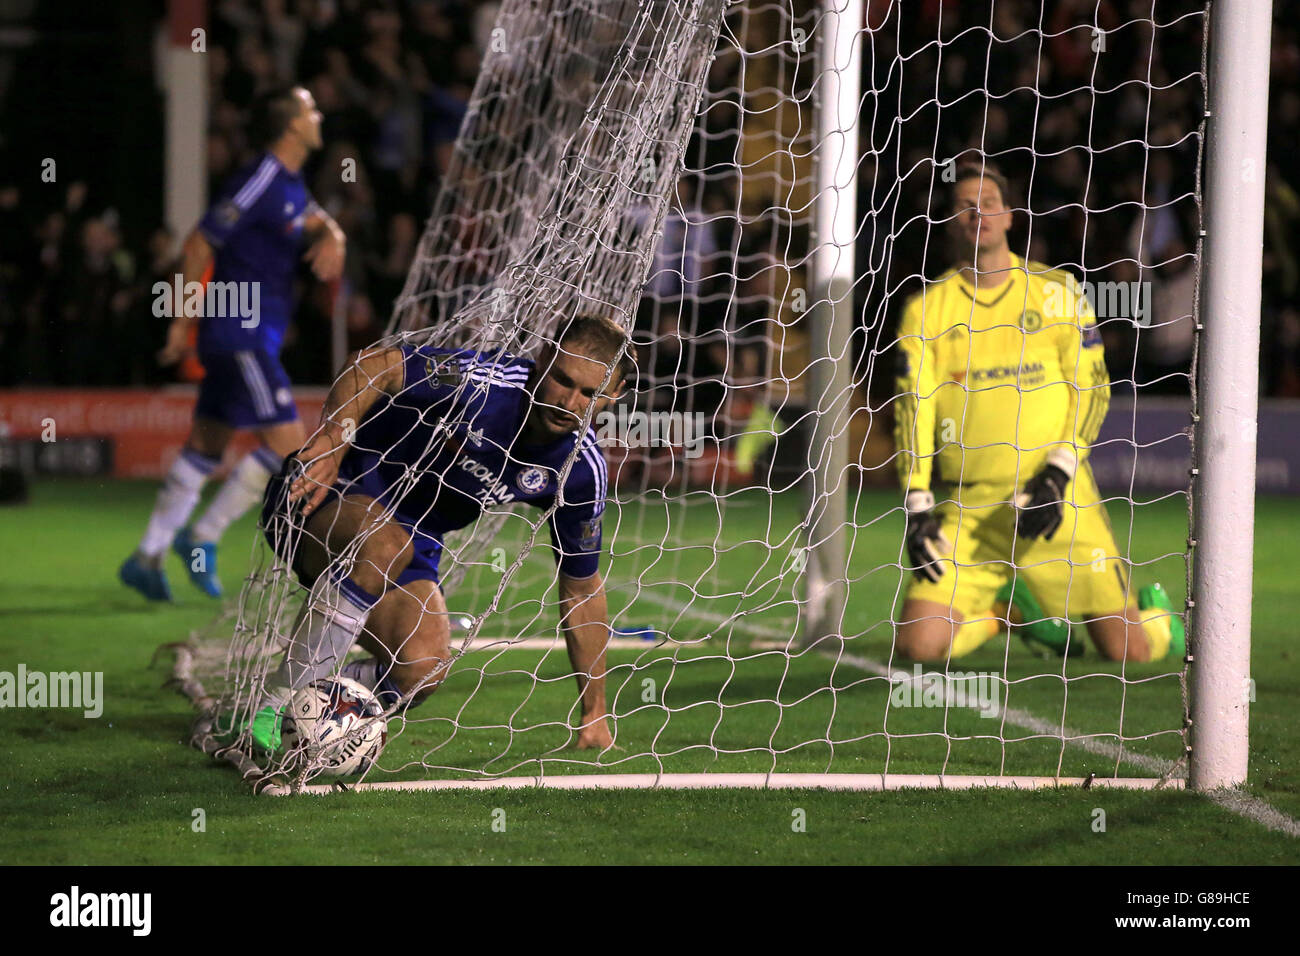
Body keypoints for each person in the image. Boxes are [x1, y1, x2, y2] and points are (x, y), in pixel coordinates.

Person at [249, 314, 632, 753]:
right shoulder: (481, 382)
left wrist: (594, 711)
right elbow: (376, 363)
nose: (569, 401)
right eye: (563, 380)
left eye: (591, 393)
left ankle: (312, 702)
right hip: (323, 494)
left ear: (613, 396)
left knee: (420, 669)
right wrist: (335, 439)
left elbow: (581, 590)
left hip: (408, 543)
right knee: (385, 544)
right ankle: (272, 710)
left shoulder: (579, 471)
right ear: (544, 357)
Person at [892, 163, 1184, 663]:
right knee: (918, 647)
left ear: (1008, 216)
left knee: (1127, 651)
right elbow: (912, 409)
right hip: (971, 512)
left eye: (988, 202)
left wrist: (1058, 471)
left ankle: (1158, 618)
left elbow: (1091, 390)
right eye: (964, 204)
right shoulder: (928, 308)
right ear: (951, 221)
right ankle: (1012, 612)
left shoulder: (1058, 291)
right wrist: (916, 496)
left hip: (1057, 501)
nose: (977, 212)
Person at [120, 86, 346, 600]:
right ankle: (204, 537)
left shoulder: (290, 182)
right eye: (310, 109)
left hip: (242, 336)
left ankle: (148, 554)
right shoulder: (261, 176)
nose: (319, 115)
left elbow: (314, 222)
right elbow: (200, 241)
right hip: (239, 334)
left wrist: (335, 234)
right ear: (291, 125)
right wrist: (181, 322)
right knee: (294, 452)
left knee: (207, 444)